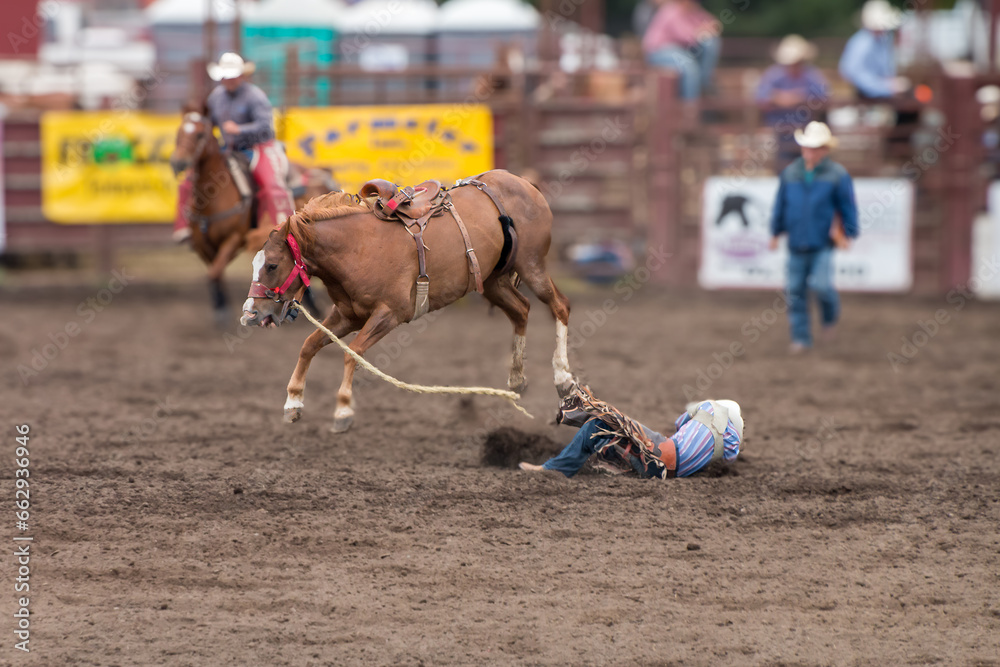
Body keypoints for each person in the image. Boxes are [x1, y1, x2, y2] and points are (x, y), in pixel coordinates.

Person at [173, 52, 295, 243]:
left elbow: (265, 125)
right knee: (190, 180)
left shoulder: (255, 96)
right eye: (225, 76)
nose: (228, 79)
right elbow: (209, 123)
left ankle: (284, 227)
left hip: (259, 147)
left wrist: (240, 129)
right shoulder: (216, 97)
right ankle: (185, 226)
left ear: (241, 76)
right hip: (229, 148)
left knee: (271, 185)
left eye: (232, 75)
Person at [519, 382, 743, 479]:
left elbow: (680, 423)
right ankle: (581, 462)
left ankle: (553, 469)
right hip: (665, 472)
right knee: (609, 435)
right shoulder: (731, 442)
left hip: (665, 450)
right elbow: (728, 461)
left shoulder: (709, 407)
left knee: (602, 421)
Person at [769, 121, 859, 354]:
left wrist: (849, 231)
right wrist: (775, 232)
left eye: (815, 147)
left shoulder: (837, 175)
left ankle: (829, 318)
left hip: (823, 241)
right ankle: (801, 337)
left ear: (825, 149)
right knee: (794, 290)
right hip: (796, 240)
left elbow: (847, 205)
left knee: (822, 286)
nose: (810, 151)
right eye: (807, 146)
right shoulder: (790, 173)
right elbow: (780, 205)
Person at [756, 35, 829, 171]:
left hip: (807, 129)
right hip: (780, 131)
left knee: (809, 165)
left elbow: (823, 95)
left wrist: (797, 97)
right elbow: (761, 96)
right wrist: (778, 97)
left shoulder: (812, 75)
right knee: (785, 167)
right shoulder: (774, 74)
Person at [642, 0, 721, 100]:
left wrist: (708, 29)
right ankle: (690, 108)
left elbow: (713, 24)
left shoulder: (692, 11)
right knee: (689, 67)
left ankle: (703, 82)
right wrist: (704, 30)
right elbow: (687, 36)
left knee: (711, 42)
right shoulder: (671, 10)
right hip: (658, 51)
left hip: (677, 50)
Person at [838, 0, 908, 101]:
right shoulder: (862, 43)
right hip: (862, 100)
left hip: (875, 98)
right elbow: (854, 74)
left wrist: (891, 84)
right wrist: (888, 87)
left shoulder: (881, 41)